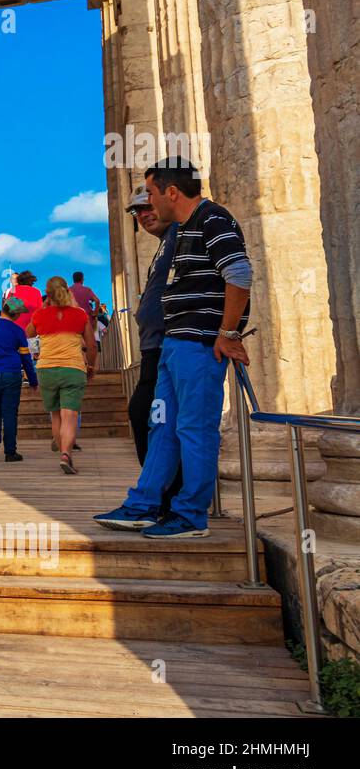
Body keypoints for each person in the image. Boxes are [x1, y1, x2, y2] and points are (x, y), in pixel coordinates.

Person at [95, 157, 251, 539]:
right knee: (160, 425)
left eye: (149, 193)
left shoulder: (213, 219)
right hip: (173, 344)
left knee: (194, 428)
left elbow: (240, 273)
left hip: (199, 346)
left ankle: (190, 515)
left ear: (171, 192)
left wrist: (228, 333)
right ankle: (144, 504)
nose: (147, 204)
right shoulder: (181, 232)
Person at [125, 183, 184, 510]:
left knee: (151, 414)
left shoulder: (181, 234)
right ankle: (164, 494)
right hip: (154, 347)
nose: (143, 216)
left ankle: (169, 497)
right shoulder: (164, 244)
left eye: (147, 208)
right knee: (149, 415)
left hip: (168, 345)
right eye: (137, 212)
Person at [27, 275, 96, 475]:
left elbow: (28, 333)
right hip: (72, 369)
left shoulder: (40, 315)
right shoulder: (80, 314)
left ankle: (63, 453)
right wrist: (91, 366)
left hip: (46, 369)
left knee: (56, 416)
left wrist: (43, 308)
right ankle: (66, 454)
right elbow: (91, 345)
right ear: (67, 292)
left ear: (47, 295)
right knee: (70, 415)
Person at [0, 296, 38, 461]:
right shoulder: (18, 331)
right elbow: (26, 358)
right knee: (10, 412)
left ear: (2, 310)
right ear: (16, 314)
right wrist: (33, 380)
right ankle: (10, 452)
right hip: (12, 373)